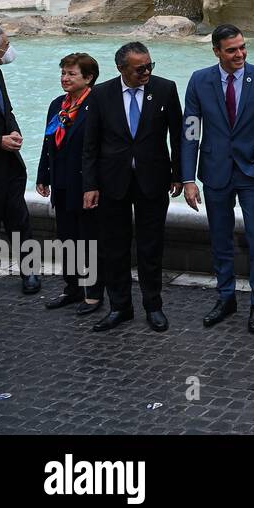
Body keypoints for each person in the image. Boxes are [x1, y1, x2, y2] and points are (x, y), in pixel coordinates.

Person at [181, 24, 254, 333]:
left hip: (253, 172)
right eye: (231, 50)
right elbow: (191, 130)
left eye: (242, 47)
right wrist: (188, 178)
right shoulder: (200, 80)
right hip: (215, 172)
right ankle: (225, 297)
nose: (239, 54)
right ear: (216, 52)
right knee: (220, 239)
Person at [82, 42, 184, 332]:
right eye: (140, 68)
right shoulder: (101, 94)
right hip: (112, 182)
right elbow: (90, 144)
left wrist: (179, 174)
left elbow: (177, 137)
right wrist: (89, 184)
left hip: (153, 180)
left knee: (151, 247)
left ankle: (154, 306)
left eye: (150, 65)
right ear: (121, 69)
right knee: (114, 248)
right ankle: (120, 307)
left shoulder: (165, 89)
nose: (147, 72)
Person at [36, 52, 103, 314]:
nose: (65, 78)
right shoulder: (57, 105)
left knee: (90, 241)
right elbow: (48, 141)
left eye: (71, 74)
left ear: (89, 78)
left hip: (87, 185)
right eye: (63, 73)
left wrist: (94, 184)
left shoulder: (98, 104)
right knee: (67, 239)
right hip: (61, 182)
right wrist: (43, 175)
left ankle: (94, 293)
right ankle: (72, 288)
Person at [0, 25, 40, 295]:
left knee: (19, 220)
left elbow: (6, 109)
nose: (9, 50)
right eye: (5, 45)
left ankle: (29, 271)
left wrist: (14, 131)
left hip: (9, 164)